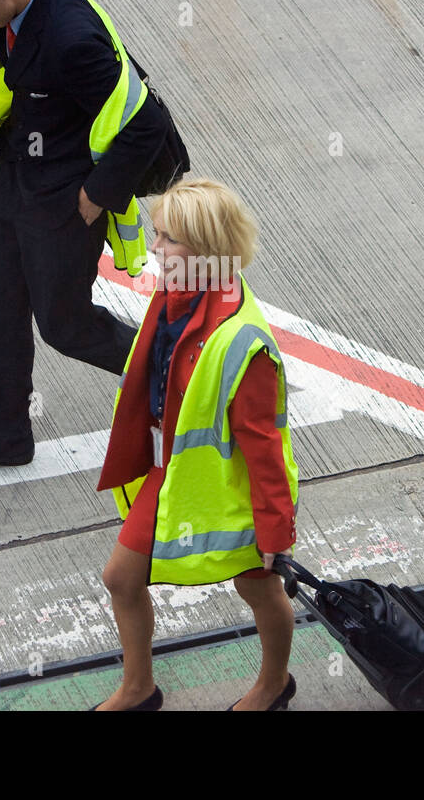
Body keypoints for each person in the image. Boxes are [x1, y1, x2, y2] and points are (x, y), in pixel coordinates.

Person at [0, 0, 170, 476]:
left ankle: (182, 377)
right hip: (15, 178)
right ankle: (3, 437)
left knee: (67, 326)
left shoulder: (71, 40)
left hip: (64, 195)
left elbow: (146, 125)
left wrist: (95, 196)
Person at [92, 179, 300, 711]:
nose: (155, 249)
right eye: (158, 235)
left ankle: (274, 684)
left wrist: (275, 530)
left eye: (169, 240)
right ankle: (139, 689)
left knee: (258, 589)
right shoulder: (175, 296)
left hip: (231, 495)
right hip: (175, 479)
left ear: (207, 252)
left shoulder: (242, 343)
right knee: (121, 577)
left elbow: (265, 450)